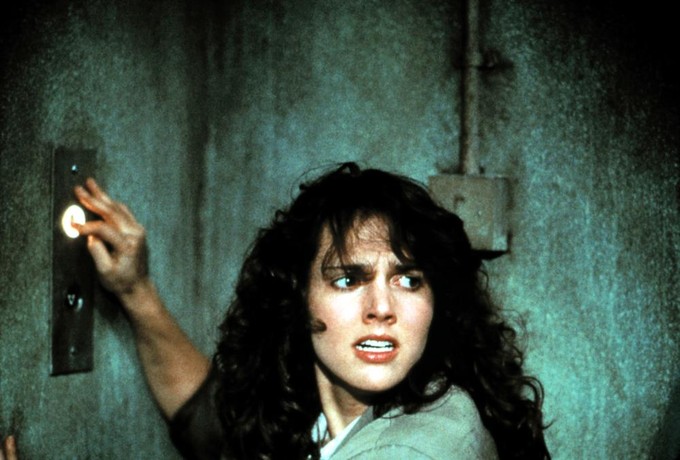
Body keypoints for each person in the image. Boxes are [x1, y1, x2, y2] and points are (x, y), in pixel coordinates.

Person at [71, 162, 549, 459]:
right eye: (348, 279)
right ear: (297, 298)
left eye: (408, 280)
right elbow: (212, 424)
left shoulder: (424, 444)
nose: (382, 308)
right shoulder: (313, 420)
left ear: (437, 302)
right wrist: (134, 291)